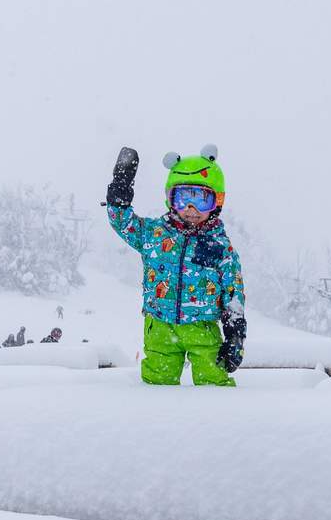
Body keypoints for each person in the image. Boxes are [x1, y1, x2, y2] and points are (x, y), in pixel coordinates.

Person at [104, 144, 246, 386]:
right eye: (183, 199)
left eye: (201, 200)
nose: (191, 210)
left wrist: (235, 333)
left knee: (213, 381)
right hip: (160, 326)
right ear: (170, 199)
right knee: (158, 381)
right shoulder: (154, 234)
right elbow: (122, 222)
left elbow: (233, 290)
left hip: (202, 327)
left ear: (217, 202)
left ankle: (219, 410)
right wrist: (120, 190)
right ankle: (157, 411)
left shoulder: (220, 247)